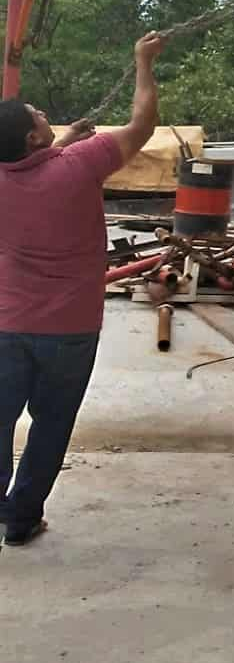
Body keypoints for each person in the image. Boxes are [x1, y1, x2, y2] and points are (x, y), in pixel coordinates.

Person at [0, 32, 165, 547]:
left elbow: (31, 171)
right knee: (51, 426)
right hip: (69, 330)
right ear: (32, 138)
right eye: (38, 116)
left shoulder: (57, 161)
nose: (44, 115)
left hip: (5, 326)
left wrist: (63, 138)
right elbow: (142, 124)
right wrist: (143, 62)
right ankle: (21, 520)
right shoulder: (80, 166)